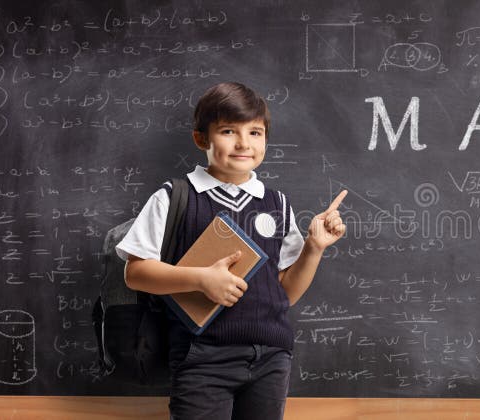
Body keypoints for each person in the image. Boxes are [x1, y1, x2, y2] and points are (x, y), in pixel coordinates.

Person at [115, 81, 347, 419]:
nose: (243, 143)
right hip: (202, 356)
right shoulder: (175, 197)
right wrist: (201, 280)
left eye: (255, 132)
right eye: (228, 131)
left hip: (270, 357)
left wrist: (313, 248)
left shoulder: (277, 203)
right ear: (201, 139)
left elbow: (285, 295)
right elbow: (135, 273)